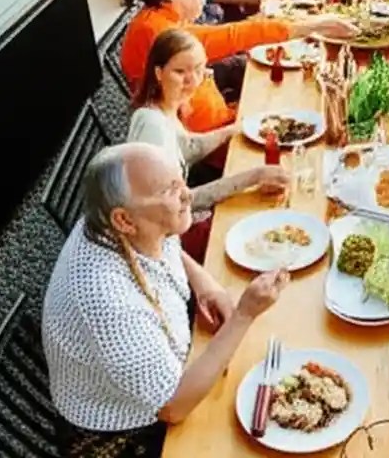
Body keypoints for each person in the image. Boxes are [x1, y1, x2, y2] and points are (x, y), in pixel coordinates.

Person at [43, 143, 290, 457]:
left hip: (157, 377)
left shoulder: (120, 221)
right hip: (123, 434)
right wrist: (244, 313)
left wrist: (205, 285)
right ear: (123, 220)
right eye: (169, 191)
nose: (187, 194)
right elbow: (174, 406)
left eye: (181, 180)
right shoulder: (106, 301)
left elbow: (166, 238)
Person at [119, 0, 356, 134]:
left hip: (203, 114)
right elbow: (232, 35)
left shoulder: (158, 18)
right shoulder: (160, 30)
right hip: (203, 134)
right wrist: (310, 26)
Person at [129, 29, 289, 261]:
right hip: (168, 242)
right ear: (158, 72)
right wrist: (252, 177)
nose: (192, 80)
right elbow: (181, 204)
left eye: (198, 68)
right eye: (180, 71)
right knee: (267, 229)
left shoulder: (159, 108)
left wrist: (230, 130)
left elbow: (188, 147)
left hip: (177, 219)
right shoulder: (153, 129)